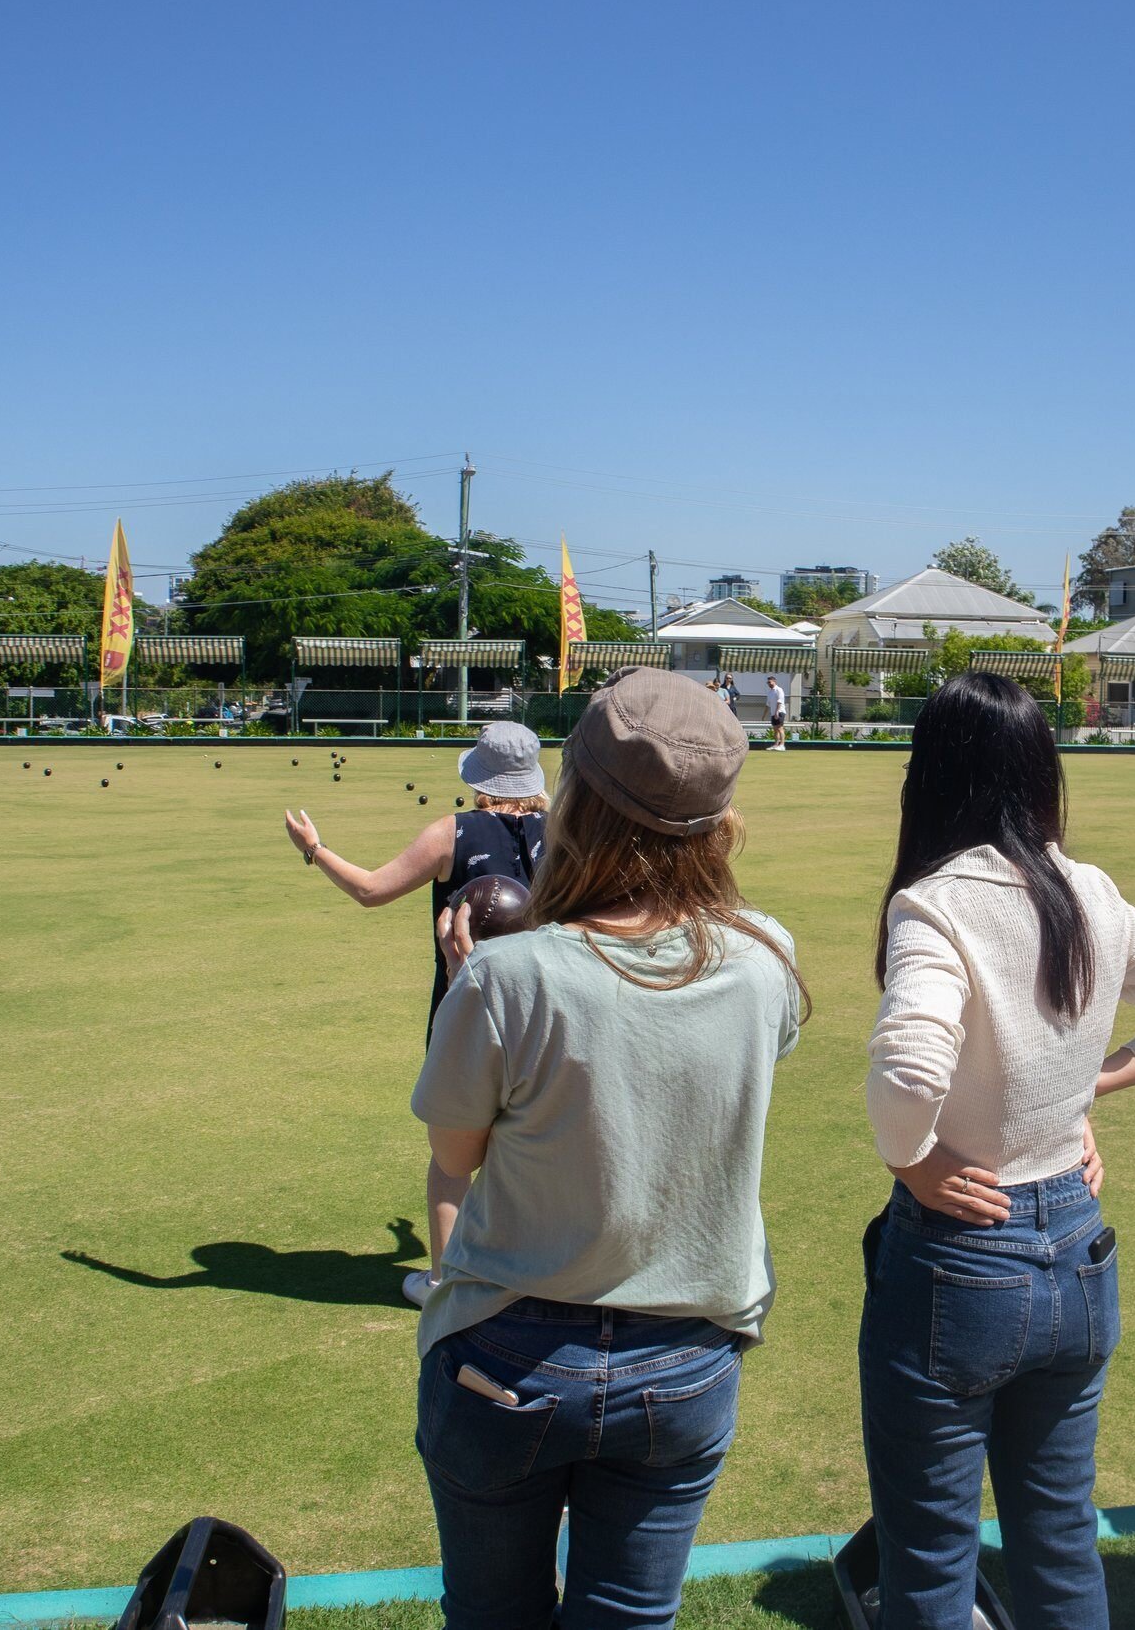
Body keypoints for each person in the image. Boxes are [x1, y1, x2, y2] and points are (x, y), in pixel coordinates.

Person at [410, 667, 805, 1630]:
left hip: (507, 1350)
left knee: (491, 1615)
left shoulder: (508, 974)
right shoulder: (769, 956)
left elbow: (455, 1157)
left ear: (577, 798)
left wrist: (479, 985)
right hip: (688, 1357)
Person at [862, 673, 1135, 1630]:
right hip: (1076, 1244)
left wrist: (912, 1160)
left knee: (933, 1550)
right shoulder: (1090, 889)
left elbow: (909, 1070)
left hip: (961, 1257)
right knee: (1060, 1536)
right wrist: (1082, 1093)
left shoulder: (935, 903)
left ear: (930, 776)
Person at [283, 720, 550, 1308]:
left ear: (479, 775)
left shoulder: (453, 831)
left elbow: (372, 890)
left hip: (467, 1011)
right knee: (538, 1141)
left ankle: (445, 1284)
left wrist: (314, 851)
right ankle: (537, 1274)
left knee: (452, 1157)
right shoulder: (567, 835)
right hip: (550, 1015)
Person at [765, 673, 788, 750]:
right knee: (775, 729)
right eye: (768, 682)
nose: (769, 684)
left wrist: (777, 712)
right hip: (773, 713)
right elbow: (768, 704)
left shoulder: (779, 690)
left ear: (774, 681)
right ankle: (776, 744)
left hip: (780, 712)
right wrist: (764, 715)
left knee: (780, 728)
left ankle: (782, 745)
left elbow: (780, 701)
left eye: (770, 682)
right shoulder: (770, 692)